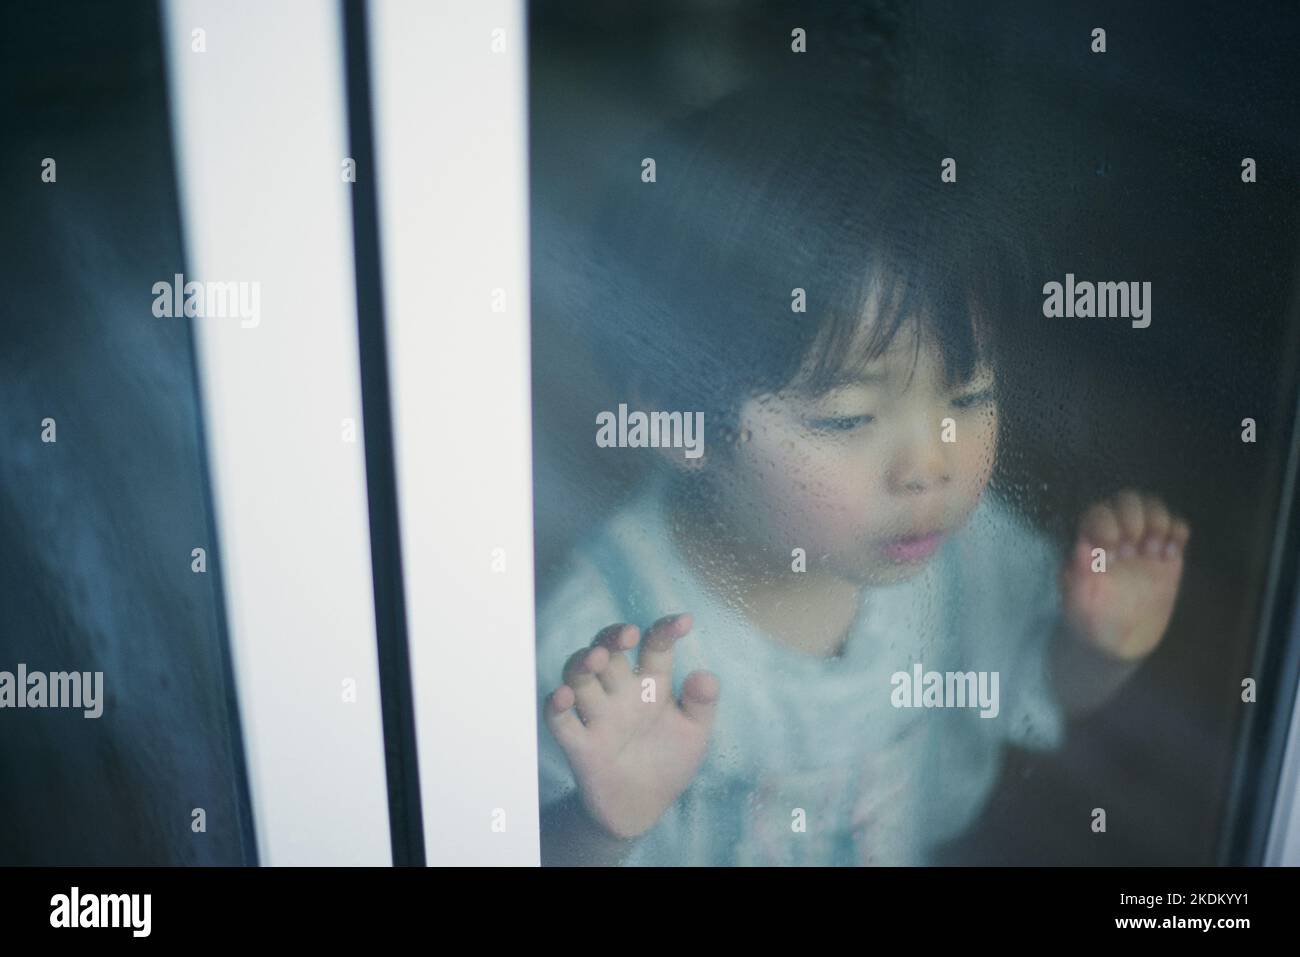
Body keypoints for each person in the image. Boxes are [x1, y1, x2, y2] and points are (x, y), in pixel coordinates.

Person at [534, 83, 1190, 866]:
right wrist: (603, 823)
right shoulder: (607, 649)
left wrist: (1098, 648)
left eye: (970, 395)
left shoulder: (959, 548)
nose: (931, 465)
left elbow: (1032, 686)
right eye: (847, 418)